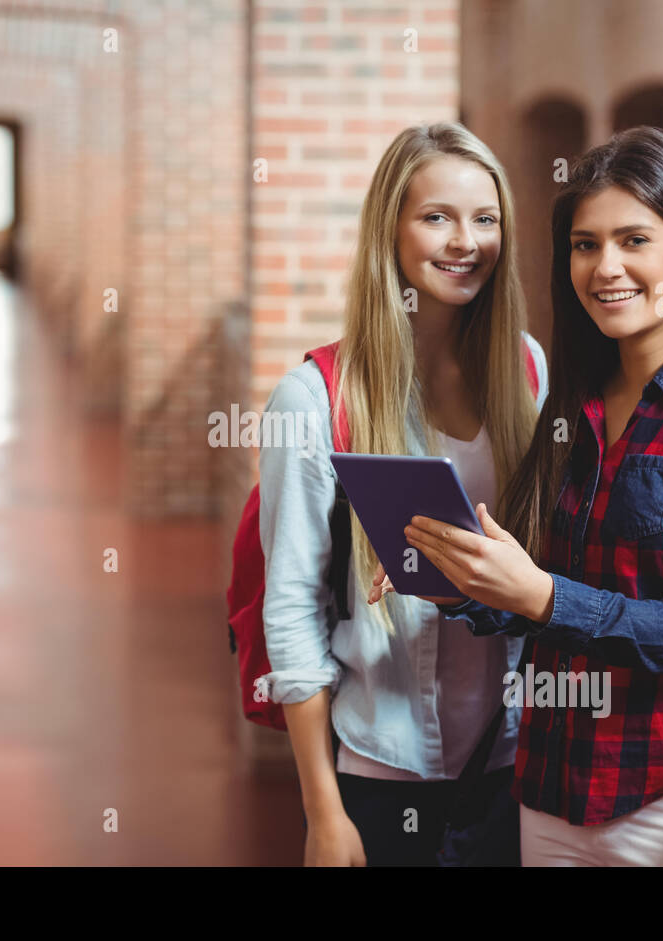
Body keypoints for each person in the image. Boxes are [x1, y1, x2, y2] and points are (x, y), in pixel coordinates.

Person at [370, 126, 663, 866]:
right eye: (584, 244)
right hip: (554, 781)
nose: (606, 267)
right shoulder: (574, 405)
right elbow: (546, 588)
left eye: (634, 240)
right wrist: (456, 582)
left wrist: (537, 595)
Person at [257, 122, 547, 867]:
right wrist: (324, 814)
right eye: (437, 217)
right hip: (379, 772)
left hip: (511, 766)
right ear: (391, 228)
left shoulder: (529, 374)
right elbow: (290, 610)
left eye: (486, 219)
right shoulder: (316, 399)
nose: (466, 241)